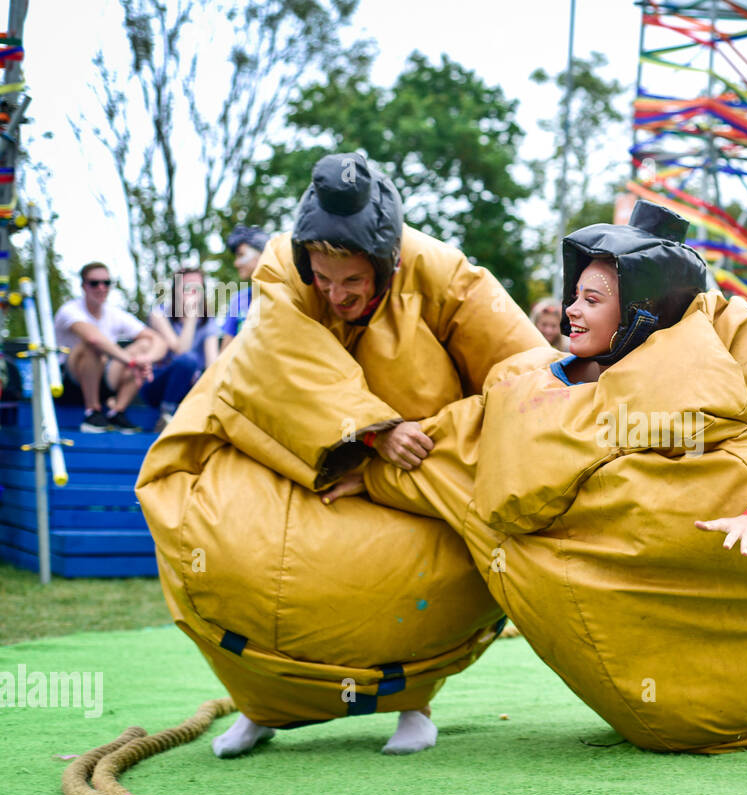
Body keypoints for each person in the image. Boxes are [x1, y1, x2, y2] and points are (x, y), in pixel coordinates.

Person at [324, 200, 747, 753]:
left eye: (591, 299)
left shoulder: (719, 329)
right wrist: (374, 471)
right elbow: (456, 455)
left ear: (641, 304)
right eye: (575, 296)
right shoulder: (532, 385)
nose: (571, 311)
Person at [135, 152, 548, 758]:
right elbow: (278, 357)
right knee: (219, 534)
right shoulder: (283, 268)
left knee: (407, 575)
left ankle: (413, 703)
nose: (336, 296)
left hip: (414, 465)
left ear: (392, 263)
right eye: (324, 281)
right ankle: (259, 706)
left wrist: (399, 459)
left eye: (353, 281)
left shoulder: (450, 279)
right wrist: (370, 432)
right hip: (284, 443)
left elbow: (526, 381)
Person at [52, 262, 166, 432]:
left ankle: (117, 412)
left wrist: (145, 360)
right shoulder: (69, 310)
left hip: (104, 379)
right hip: (69, 384)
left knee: (145, 345)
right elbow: (93, 338)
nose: (101, 288)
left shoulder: (114, 313)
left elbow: (158, 340)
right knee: (92, 347)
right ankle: (92, 412)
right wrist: (133, 362)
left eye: (106, 283)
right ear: (84, 286)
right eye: (94, 283)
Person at [142, 266, 219, 431]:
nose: (193, 292)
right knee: (188, 360)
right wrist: (191, 317)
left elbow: (213, 364)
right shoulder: (159, 314)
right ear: (175, 291)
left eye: (198, 287)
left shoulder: (208, 321)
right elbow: (181, 351)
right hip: (156, 386)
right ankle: (166, 415)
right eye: (187, 287)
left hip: (188, 388)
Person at [218, 226, 269, 353]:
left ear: (262, 254)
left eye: (241, 255)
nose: (236, 263)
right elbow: (225, 352)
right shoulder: (238, 300)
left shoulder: (286, 294)